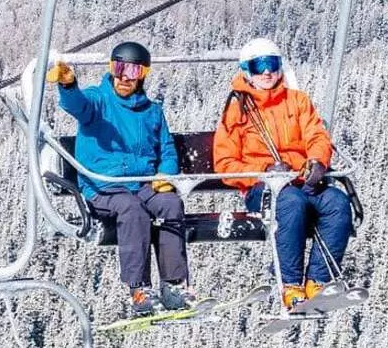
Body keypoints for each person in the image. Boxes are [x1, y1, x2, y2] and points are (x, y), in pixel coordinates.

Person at [46, 41, 196, 318]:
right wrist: (68, 86)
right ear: (111, 69)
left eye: (134, 71)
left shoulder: (152, 112)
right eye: (119, 68)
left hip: (143, 184)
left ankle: (173, 284)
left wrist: (165, 175)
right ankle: (139, 289)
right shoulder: (99, 100)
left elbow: (166, 149)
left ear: (143, 75)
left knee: (171, 205)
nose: (125, 77)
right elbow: (78, 106)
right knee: (132, 210)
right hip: (103, 188)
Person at [213, 37, 353, 311]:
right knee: (290, 204)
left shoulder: (297, 102)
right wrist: (262, 173)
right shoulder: (238, 110)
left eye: (272, 65)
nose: (267, 73)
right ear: (247, 71)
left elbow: (317, 136)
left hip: (302, 180)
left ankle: (318, 281)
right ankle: (290, 286)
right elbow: (225, 164)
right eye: (258, 66)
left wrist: (316, 162)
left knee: (337, 202)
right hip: (263, 189)